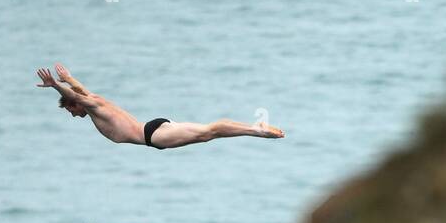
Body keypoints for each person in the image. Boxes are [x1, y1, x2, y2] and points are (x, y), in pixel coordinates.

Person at [35, 63, 284, 149]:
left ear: (74, 104)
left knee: (209, 131)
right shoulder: (97, 101)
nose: (72, 114)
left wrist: (57, 85)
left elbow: (77, 96)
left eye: (70, 110)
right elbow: (80, 92)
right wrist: (68, 78)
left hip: (154, 136)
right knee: (208, 135)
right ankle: (255, 128)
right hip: (154, 129)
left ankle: (257, 130)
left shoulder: (93, 107)